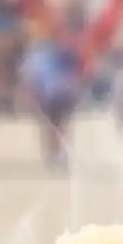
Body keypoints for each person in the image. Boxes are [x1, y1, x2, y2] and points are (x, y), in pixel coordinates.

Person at [20, 32, 79, 168]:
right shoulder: (50, 55)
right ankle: (56, 152)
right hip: (54, 94)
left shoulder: (38, 57)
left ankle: (54, 152)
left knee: (52, 125)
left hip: (53, 94)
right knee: (57, 125)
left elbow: (29, 77)